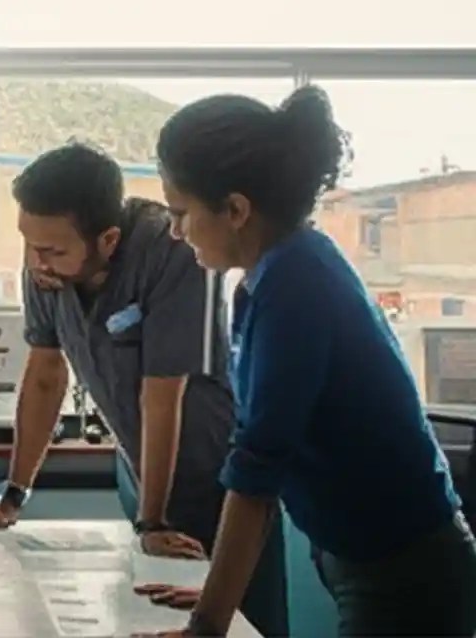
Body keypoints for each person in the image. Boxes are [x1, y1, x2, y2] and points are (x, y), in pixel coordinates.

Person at [144, 86, 476, 636]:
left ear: (236, 210)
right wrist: (217, 596)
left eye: (181, 213)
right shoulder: (277, 273)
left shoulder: (296, 286)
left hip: (406, 572)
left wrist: (206, 626)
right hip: (364, 557)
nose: (175, 232)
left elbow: (256, 469)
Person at [0, 144, 289, 636]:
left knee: (240, 626)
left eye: (52, 251)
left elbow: (162, 394)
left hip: (218, 482)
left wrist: (154, 522)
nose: (36, 261)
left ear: (108, 240)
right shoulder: (46, 261)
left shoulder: (171, 250)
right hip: (141, 474)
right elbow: (45, 375)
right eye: (28, 243)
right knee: (146, 619)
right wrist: (12, 498)